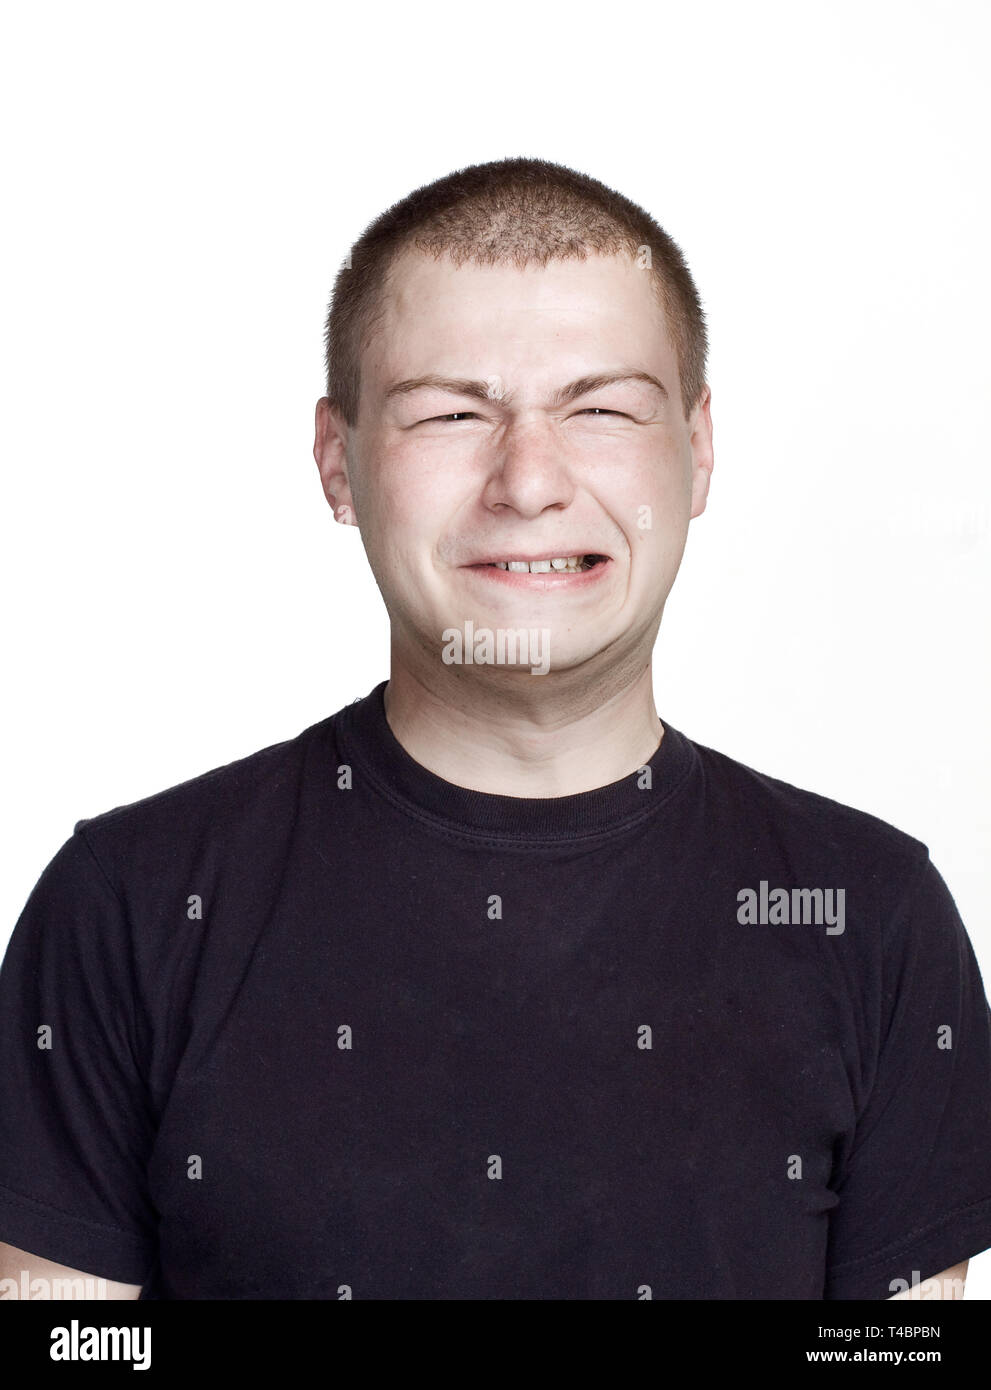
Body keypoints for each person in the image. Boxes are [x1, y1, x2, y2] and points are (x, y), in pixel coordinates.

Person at [1, 156, 989, 1301]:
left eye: (604, 408)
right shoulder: (126, 905)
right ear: (339, 460)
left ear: (698, 449)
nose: (529, 480)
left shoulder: (869, 916)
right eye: (452, 413)